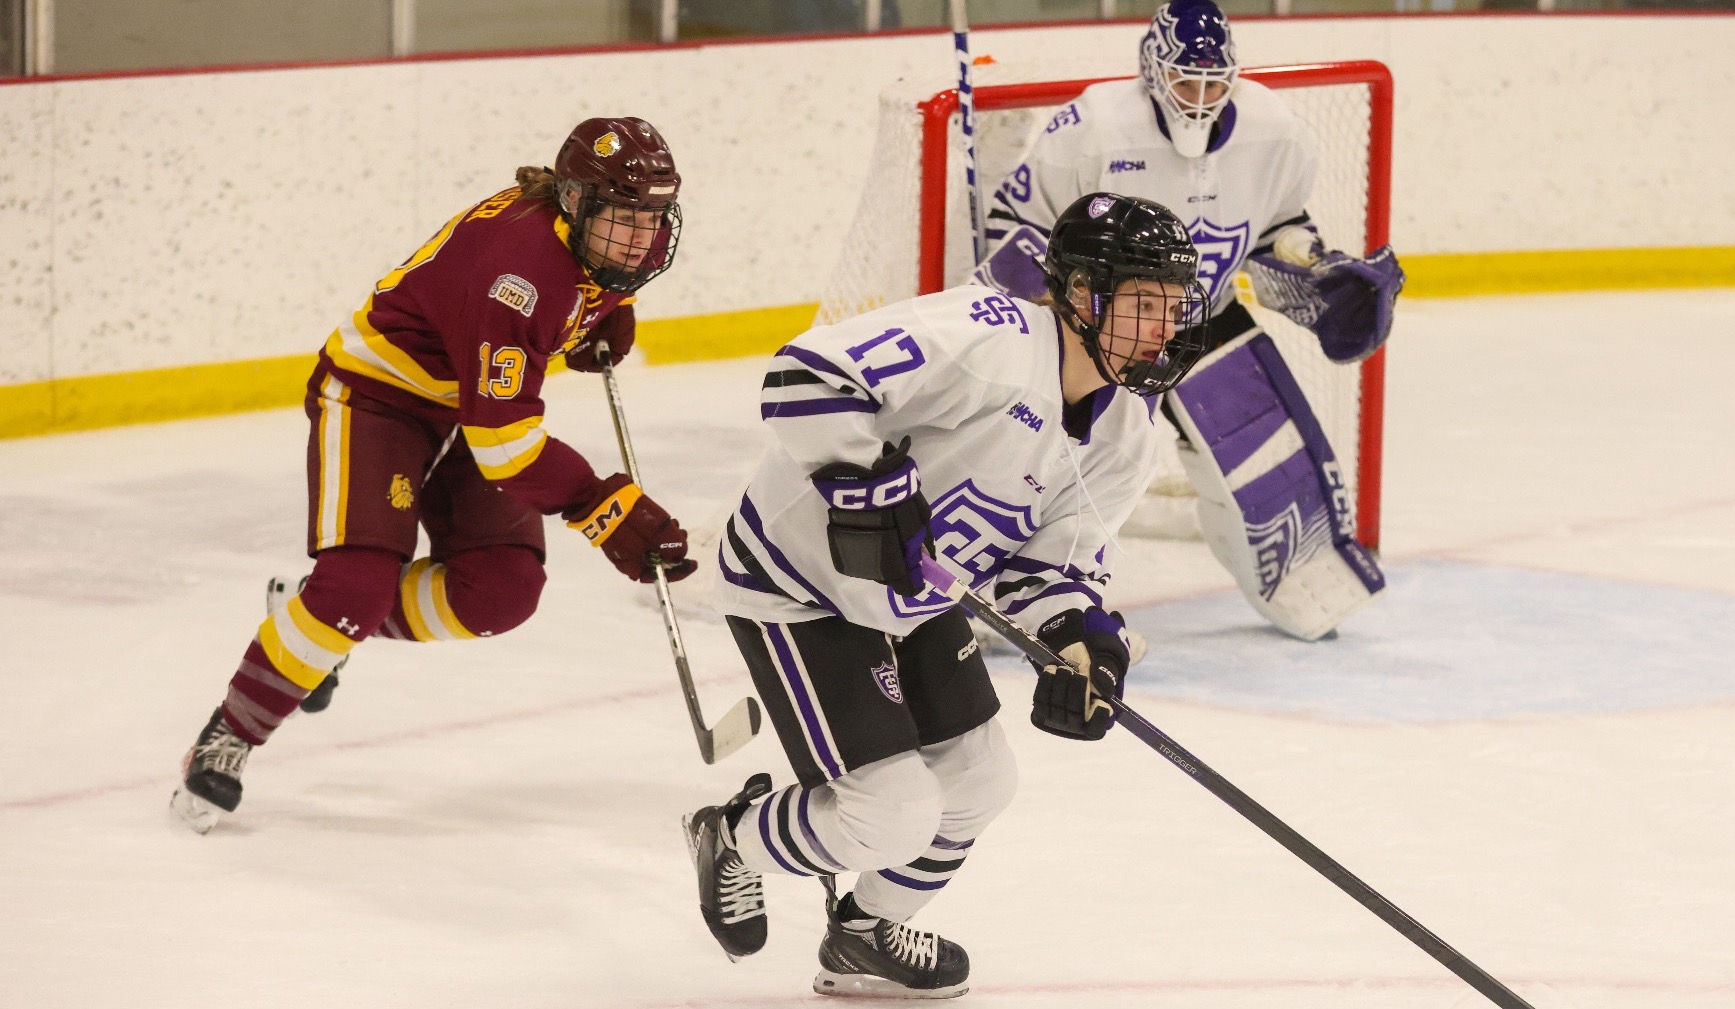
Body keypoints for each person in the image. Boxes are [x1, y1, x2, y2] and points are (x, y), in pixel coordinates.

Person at [682, 192, 1208, 998]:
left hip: (916, 597)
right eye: (1142, 303)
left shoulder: (1127, 429)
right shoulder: (987, 339)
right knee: (888, 812)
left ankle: (862, 933)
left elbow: (1053, 565)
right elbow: (804, 376)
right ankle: (733, 836)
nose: (1163, 328)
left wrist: (1079, 638)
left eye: (1173, 307)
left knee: (979, 782)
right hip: (800, 584)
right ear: (1077, 294)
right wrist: (870, 486)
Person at [169, 116, 698, 834]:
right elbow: (507, 449)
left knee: (501, 591)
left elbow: (589, 287)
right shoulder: (520, 275)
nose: (641, 239)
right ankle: (234, 727)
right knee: (356, 586)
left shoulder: (585, 240)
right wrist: (602, 506)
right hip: (379, 397)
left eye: (653, 219)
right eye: (624, 220)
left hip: (468, 407)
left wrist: (610, 306)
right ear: (574, 203)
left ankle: (310, 617)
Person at [975, 0, 1404, 640]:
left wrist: (1313, 270)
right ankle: (1000, 592)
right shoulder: (1093, 124)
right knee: (1052, 458)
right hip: (1094, 329)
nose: (1198, 96)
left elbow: (1277, 230)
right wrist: (1058, 312)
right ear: (1152, 70)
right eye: (1185, 79)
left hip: (1200, 315)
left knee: (1271, 453)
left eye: (1212, 81)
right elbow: (1012, 228)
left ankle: (1300, 577)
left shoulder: (1275, 130)